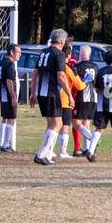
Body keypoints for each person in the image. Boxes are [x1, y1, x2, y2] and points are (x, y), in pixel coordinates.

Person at [30, 29, 70, 165]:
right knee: (58, 124)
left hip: (41, 93)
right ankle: (41, 154)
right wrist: (70, 95)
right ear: (62, 41)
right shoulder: (59, 54)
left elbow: (35, 73)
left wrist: (33, 92)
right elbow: (61, 76)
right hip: (52, 93)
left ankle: (46, 154)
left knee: (51, 125)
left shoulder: (43, 53)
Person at [90, 50, 112, 161]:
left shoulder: (100, 71)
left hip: (101, 105)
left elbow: (96, 89)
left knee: (99, 129)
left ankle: (90, 151)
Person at [69, 45, 99, 161]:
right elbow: (96, 84)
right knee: (86, 123)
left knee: (76, 123)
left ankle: (93, 140)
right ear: (89, 54)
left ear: (80, 54)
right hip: (93, 98)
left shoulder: (76, 67)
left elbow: (76, 84)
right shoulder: (96, 67)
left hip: (82, 98)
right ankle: (88, 149)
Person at [0, 44, 21, 153]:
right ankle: (6, 145)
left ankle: (2, 144)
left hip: (3, 95)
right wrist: (14, 97)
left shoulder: (2, 62)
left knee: (5, 118)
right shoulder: (10, 64)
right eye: (18, 52)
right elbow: (9, 81)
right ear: (11, 52)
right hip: (9, 95)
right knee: (12, 119)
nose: (20, 54)